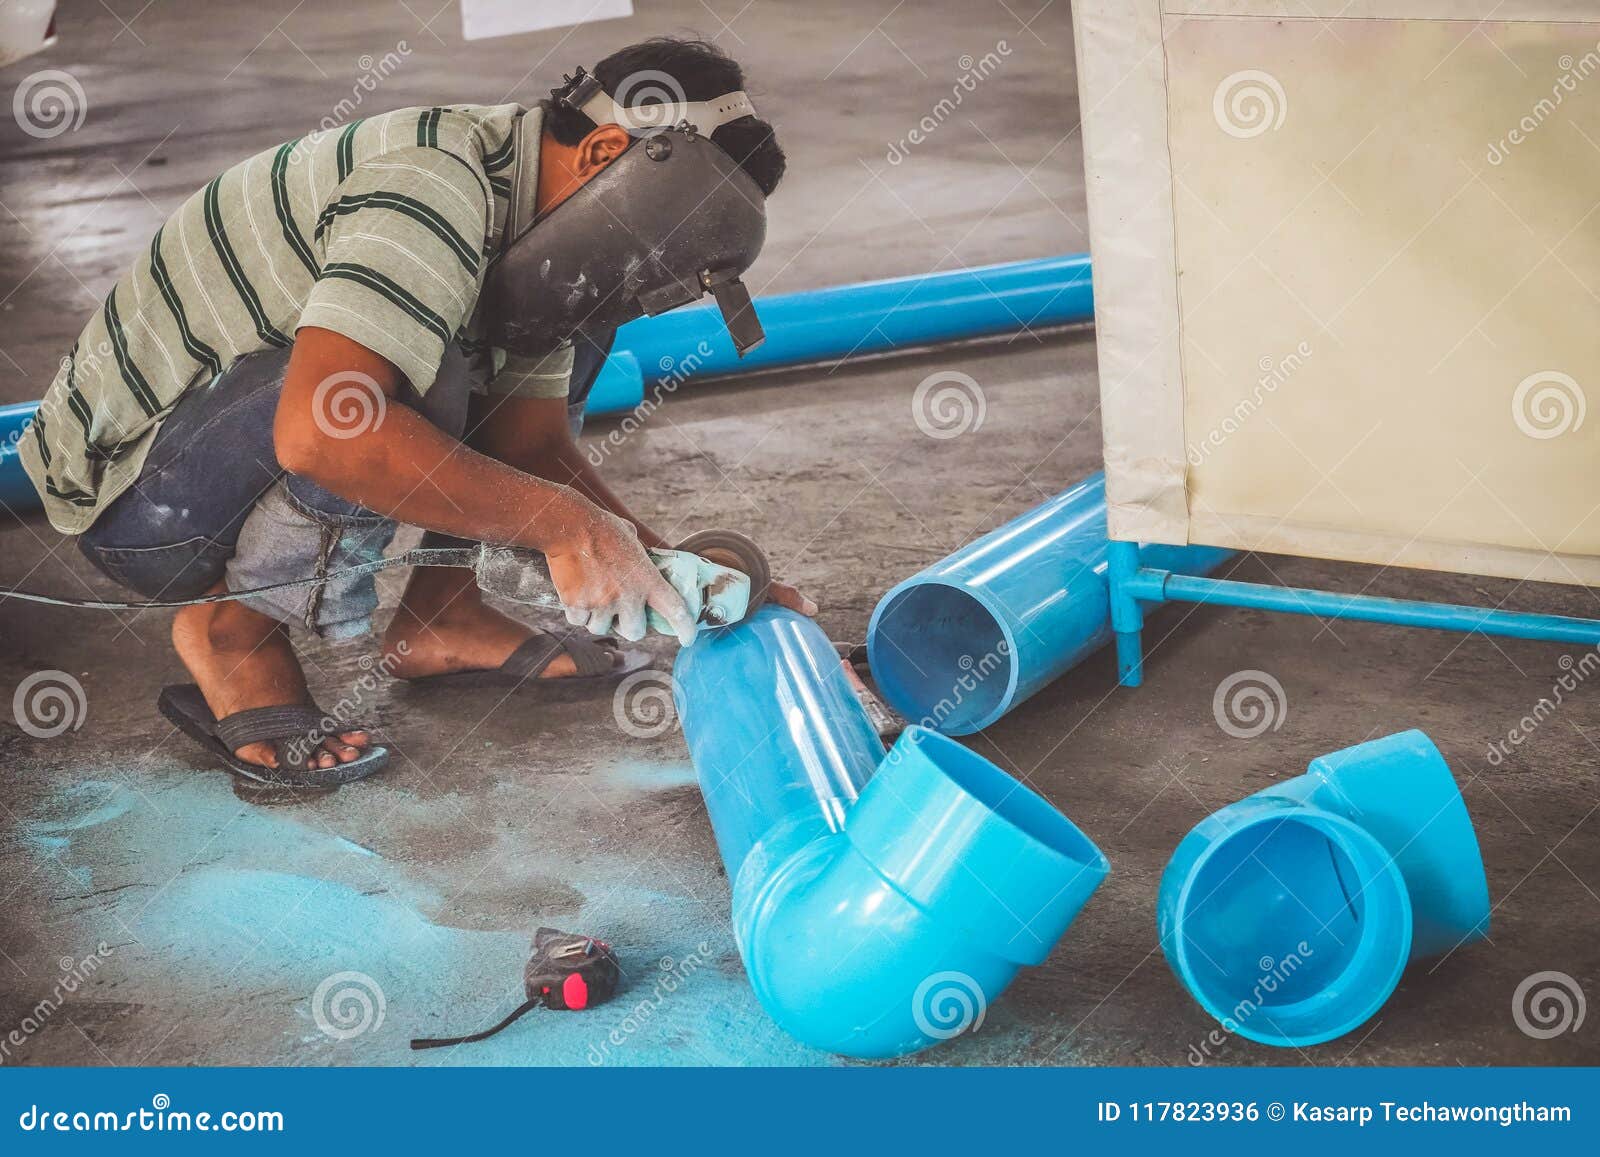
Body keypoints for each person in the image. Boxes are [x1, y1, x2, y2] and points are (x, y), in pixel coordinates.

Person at [18, 37, 812, 788]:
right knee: (408, 381)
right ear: (605, 155)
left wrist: (679, 581)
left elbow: (527, 445)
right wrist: (571, 528)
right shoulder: (433, 184)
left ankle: (442, 616)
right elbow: (326, 428)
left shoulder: (522, 204)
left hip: (220, 449)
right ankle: (235, 633)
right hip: (142, 502)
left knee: (555, 325)